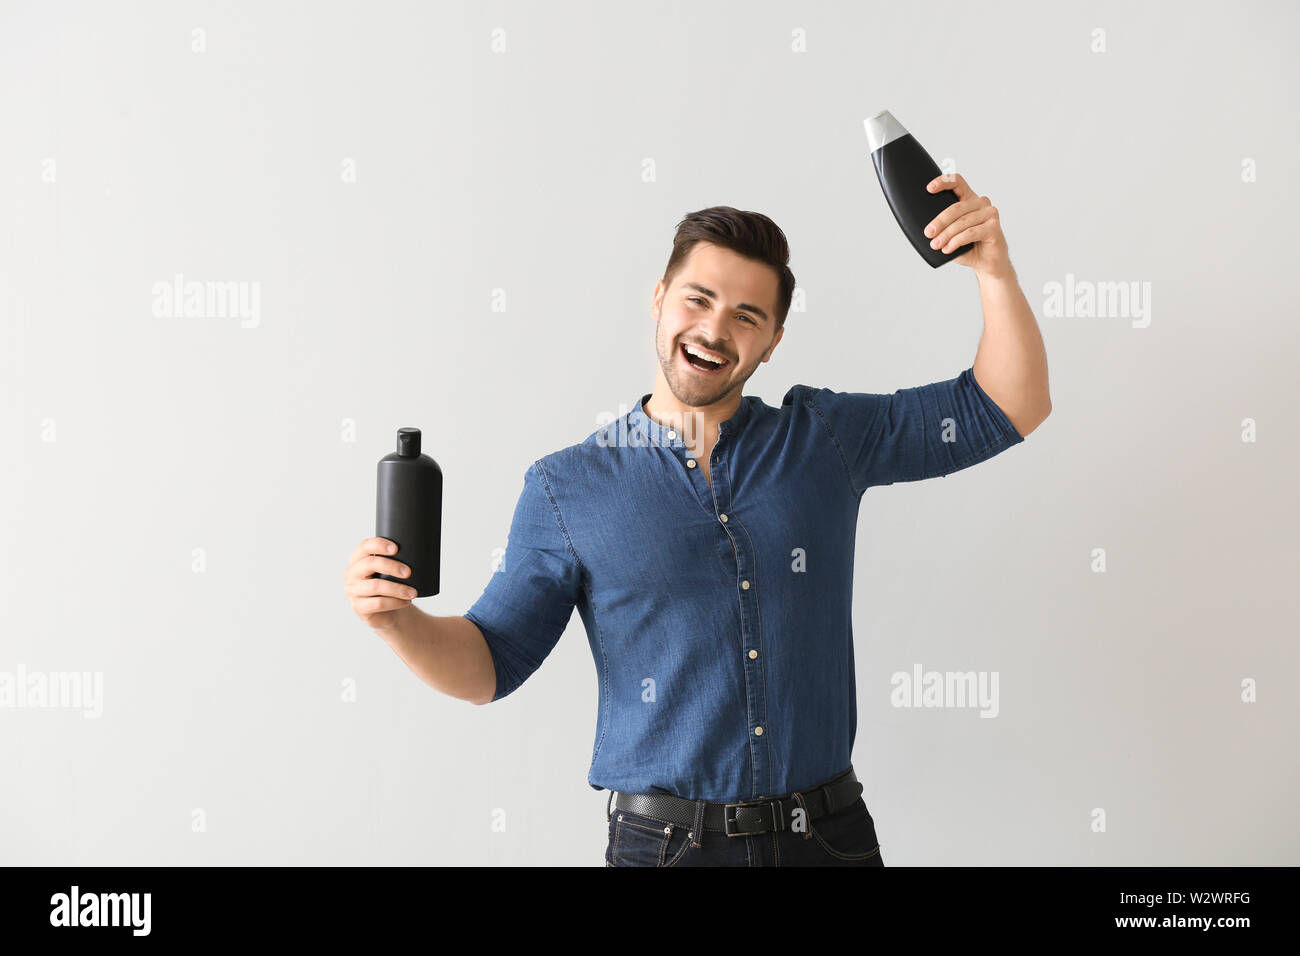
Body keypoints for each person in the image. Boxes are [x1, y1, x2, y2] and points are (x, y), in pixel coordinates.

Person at [344, 180, 1051, 866]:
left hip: (828, 840)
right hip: (668, 851)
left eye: (747, 315)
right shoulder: (567, 488)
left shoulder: (827, 439)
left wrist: (993, 269)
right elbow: (489, 664)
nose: (715, 329)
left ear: (772, 341)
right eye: (698, 299)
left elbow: (1008, 405)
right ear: (659, 299)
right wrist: (397, 622)